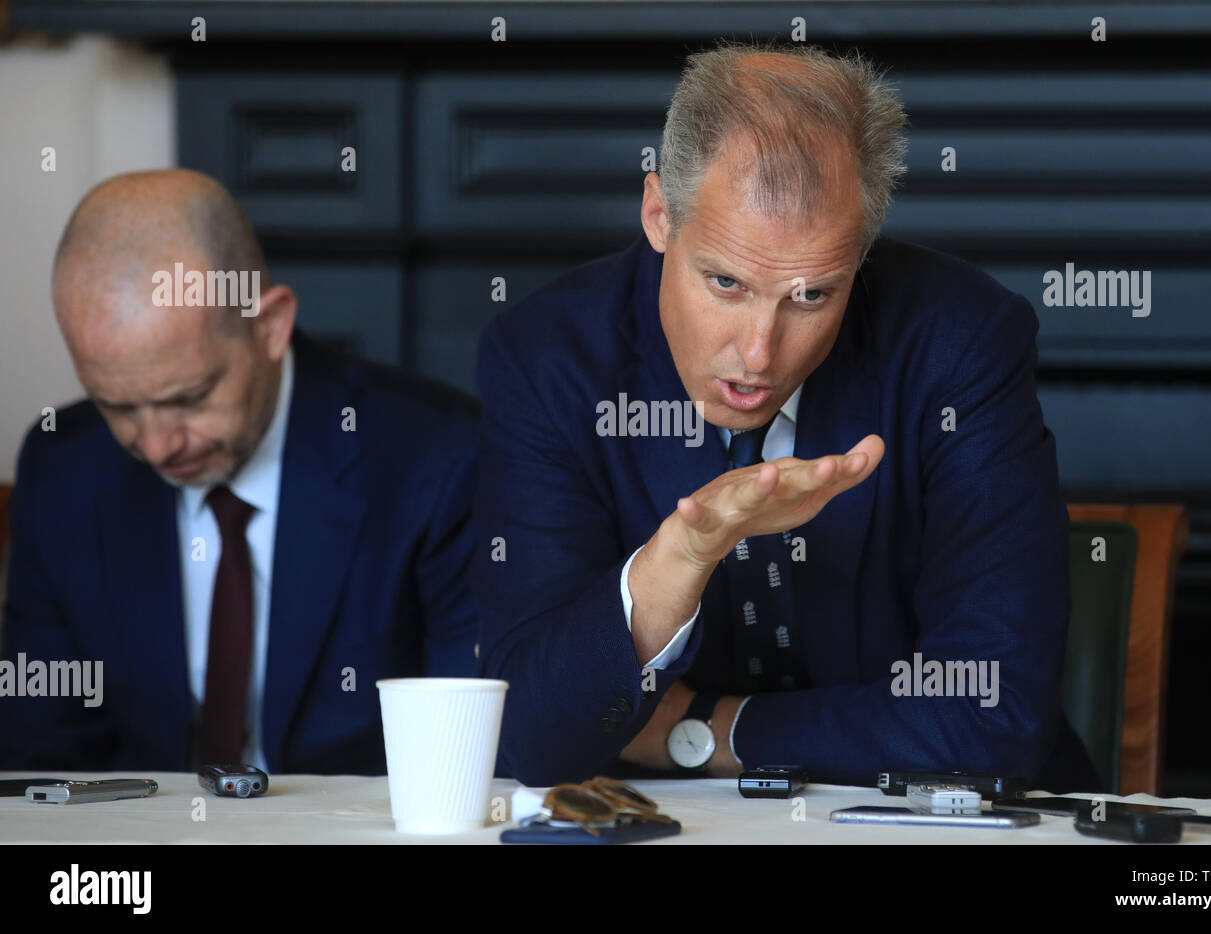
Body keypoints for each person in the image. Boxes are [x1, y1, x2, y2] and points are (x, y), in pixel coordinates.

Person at [473, 43, 1100, 790]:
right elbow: (530, 736)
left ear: (860, 255)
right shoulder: (549, 359)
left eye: (812, 295)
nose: (760, 352)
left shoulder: (962, 343)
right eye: (726, 281)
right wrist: (680, 556)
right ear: (658, 215)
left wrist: (709, 729)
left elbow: (995, 717)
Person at [0, 169, 478, 773]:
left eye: (189, 397)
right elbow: (39, 757)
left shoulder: (435, 459)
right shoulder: (63, 468)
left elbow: (467, 752)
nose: (155, 446)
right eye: (115, 405)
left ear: (270, 325)